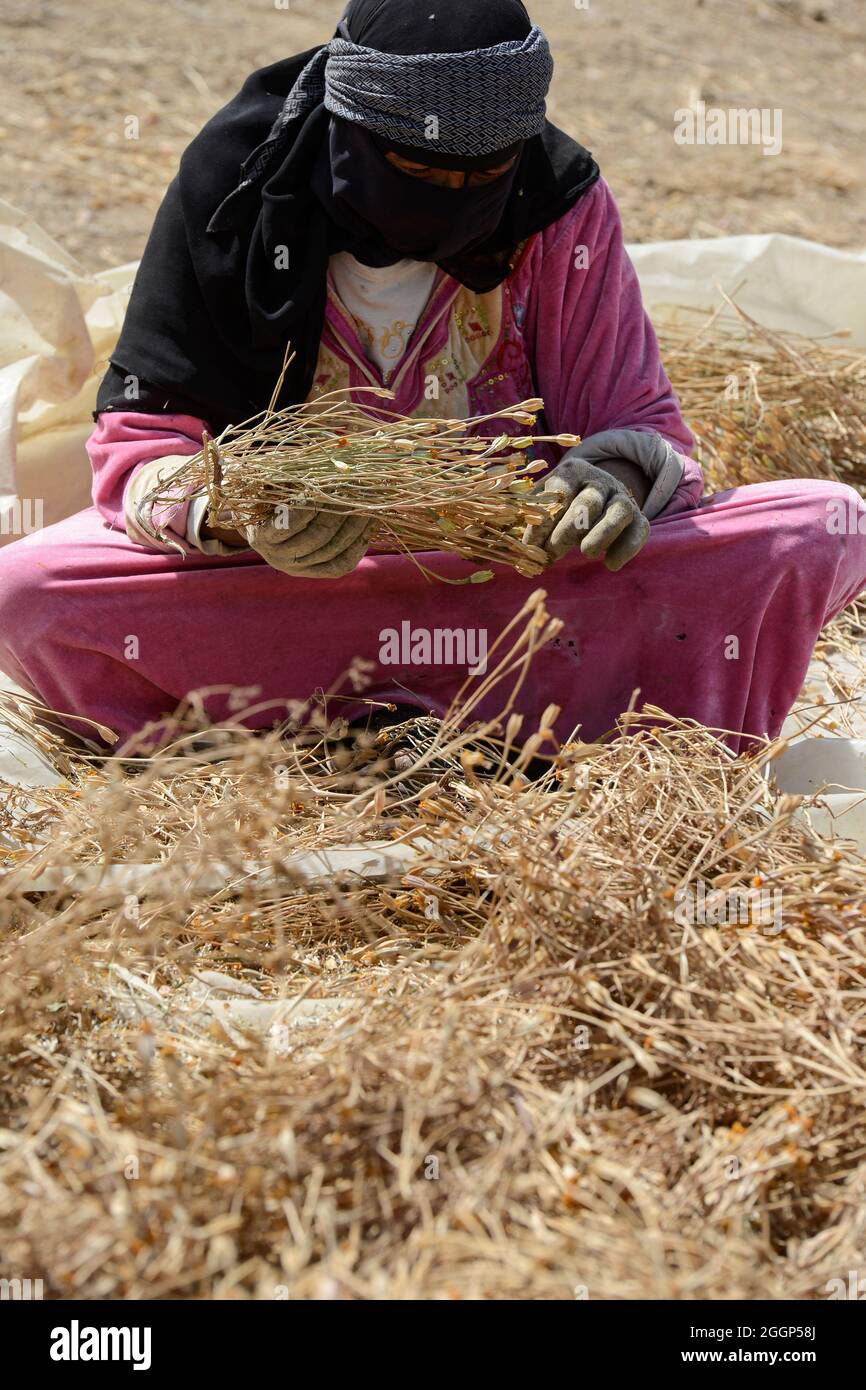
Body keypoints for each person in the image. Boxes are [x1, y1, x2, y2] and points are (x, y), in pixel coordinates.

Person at [0, 0, 862, 752]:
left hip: (515, 594)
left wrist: (614, 477)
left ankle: (362, 720)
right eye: (414, 168)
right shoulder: (238, 192)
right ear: (347, 128)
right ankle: (387, 726)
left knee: (826, 526)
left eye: (483, 176)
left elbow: (645, 426)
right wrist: (238, 512)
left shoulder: (557, 208)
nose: (451, 194)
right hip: (289, 593)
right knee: (26, 593)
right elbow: (138, 451)